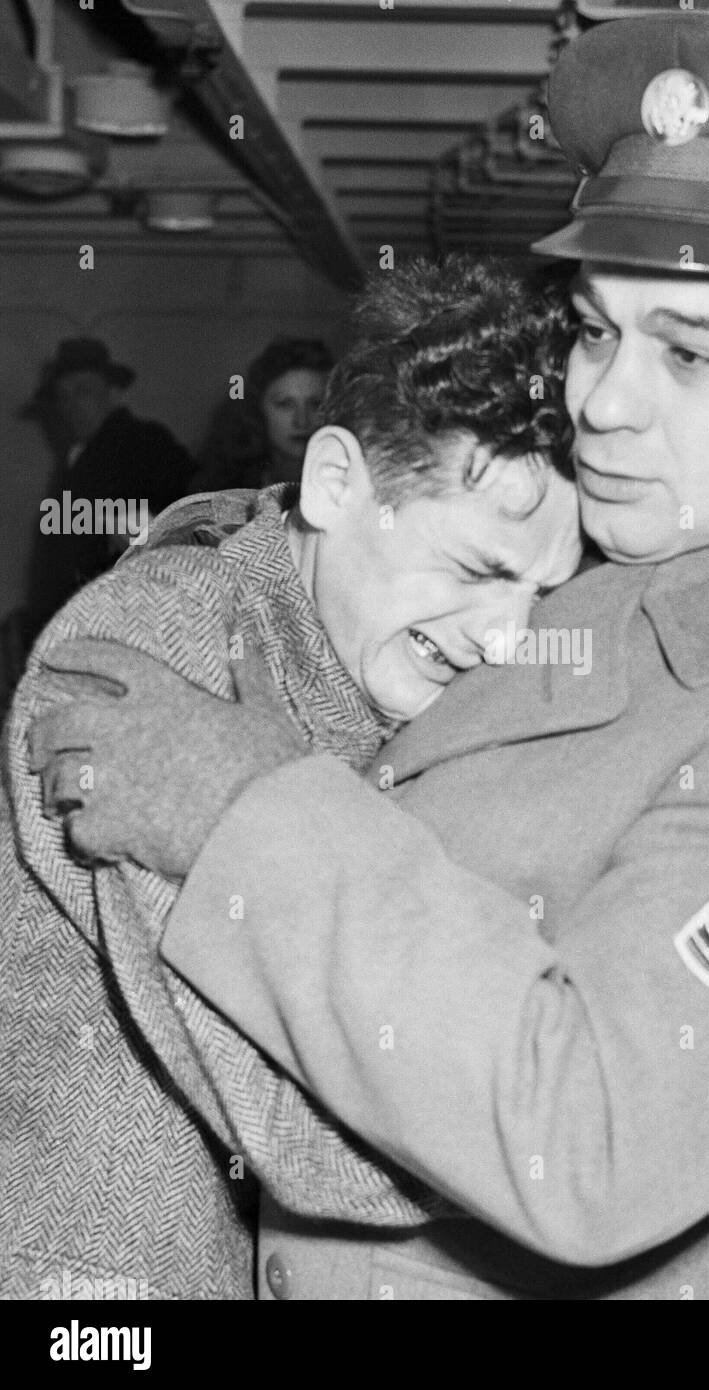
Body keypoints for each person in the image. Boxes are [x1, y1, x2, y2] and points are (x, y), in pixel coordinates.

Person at [28, 14, 709, 1299]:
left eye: (687, 351)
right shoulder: (622, 562)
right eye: (594, 329)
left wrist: (236, 806)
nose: (601, 401)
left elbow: (593, 1135)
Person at [0, 256, 581, 1300]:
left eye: (543, 591)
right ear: (332, 483)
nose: (507, 640)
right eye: (478, 570)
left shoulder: (381, 663)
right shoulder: (160, 643)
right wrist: (592, 1121)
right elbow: (305, 1130)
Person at [22, 338, 195, 637]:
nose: (70, 406)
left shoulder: (144, 443)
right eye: (62, 397)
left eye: (82, 391)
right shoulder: (77, 458)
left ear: (114, 393)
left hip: (123, 628)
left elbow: (186, 521)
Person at [195, 338, 334, 491]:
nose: (302, 421)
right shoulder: (225, 489)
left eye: (316, 404)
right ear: (257, 410)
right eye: (285, 404)